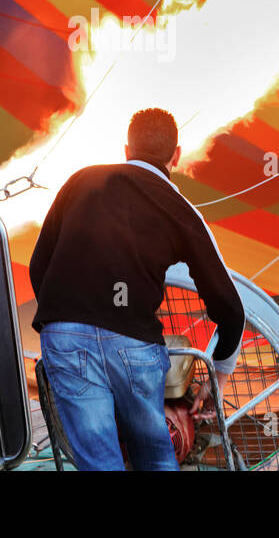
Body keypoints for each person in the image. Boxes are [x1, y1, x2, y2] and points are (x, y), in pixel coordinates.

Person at [30, 107, 245, 470]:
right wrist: (219, 376)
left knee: (100, 462)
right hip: (133, 345)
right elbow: (229, 306)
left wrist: (66, 321)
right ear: (175, 156)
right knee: (156, 458)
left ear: (126, 149)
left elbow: (39, 265)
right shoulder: (182, 211)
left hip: (64, 336)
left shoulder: (81, 181)